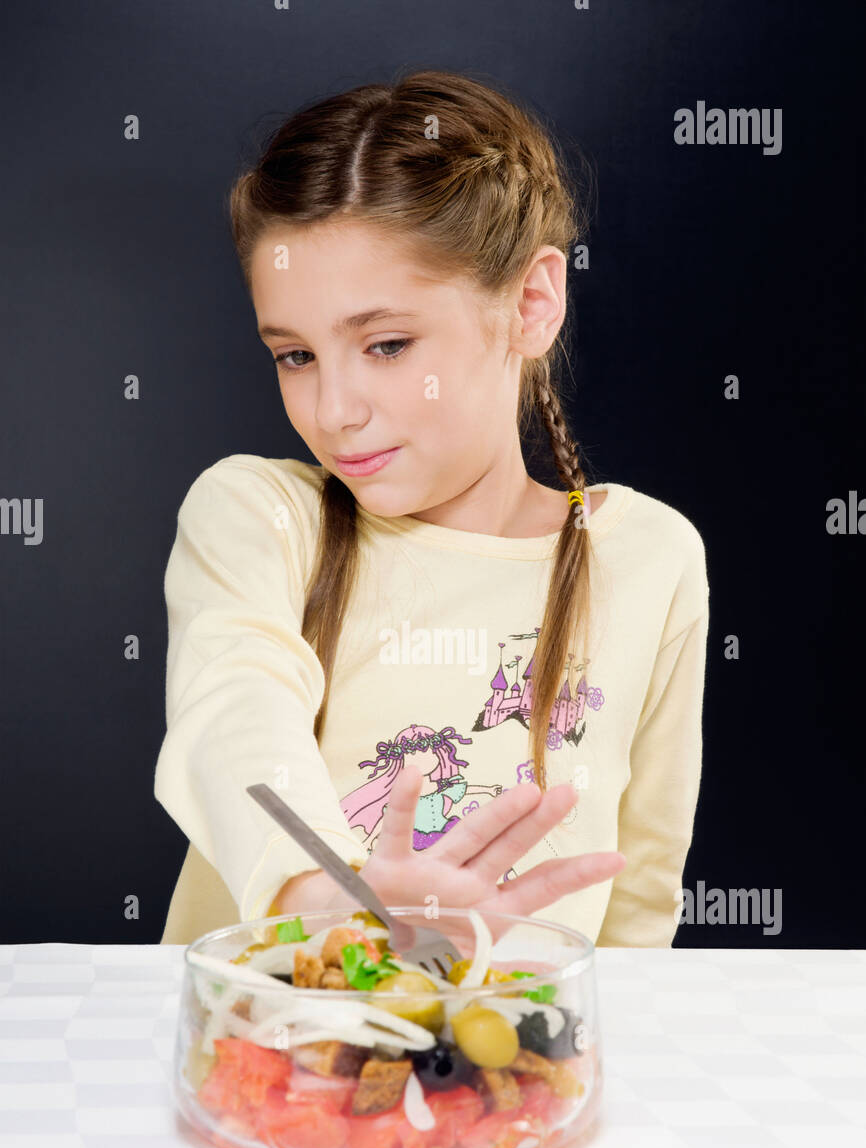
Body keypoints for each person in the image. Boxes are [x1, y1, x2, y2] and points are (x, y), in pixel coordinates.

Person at [154, 69, 709, 949]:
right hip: (264, 1056)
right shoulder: (257, 515)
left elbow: (639, 890)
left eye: (386, 344)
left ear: (531, 304)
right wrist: (331, 898)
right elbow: (232, 711)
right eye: (295, 355)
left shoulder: (650, 556)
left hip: (510, 1071)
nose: (334, 409)